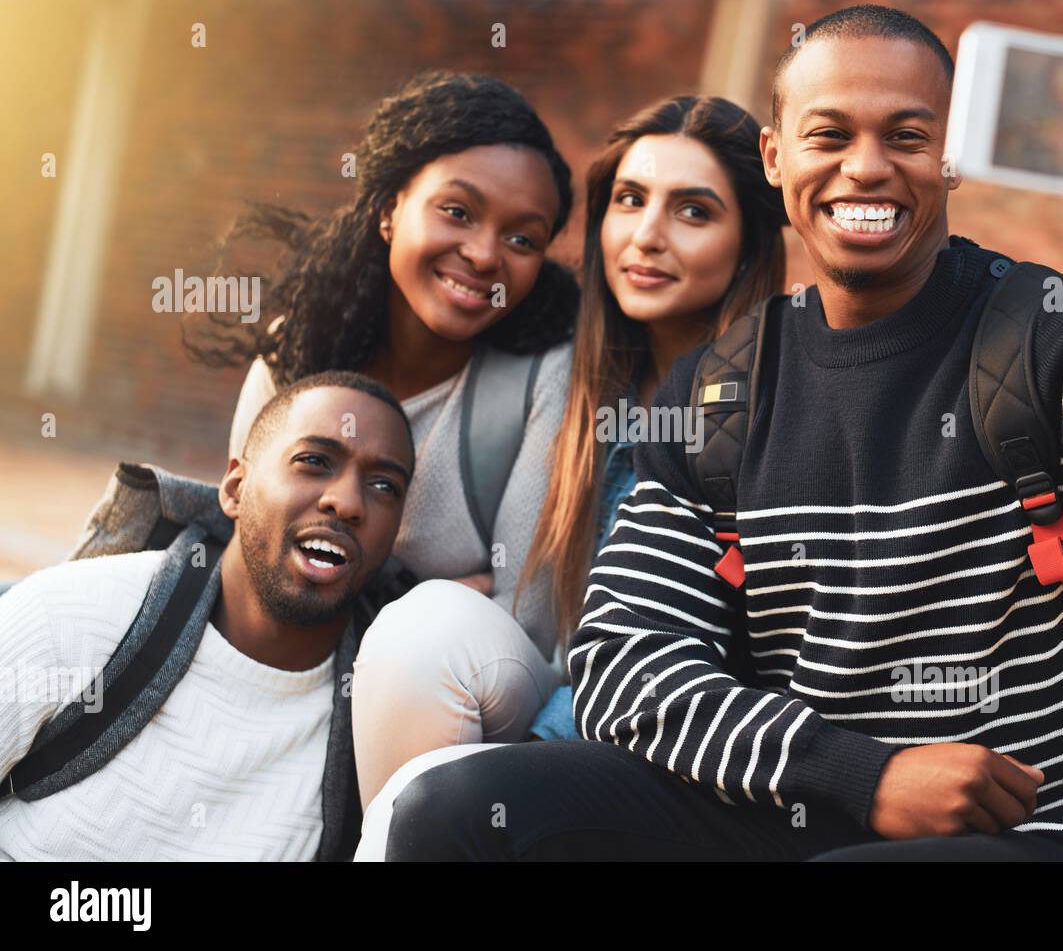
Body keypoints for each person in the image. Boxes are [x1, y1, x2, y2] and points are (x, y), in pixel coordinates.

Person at [376, 7, 1063, 861]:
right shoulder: (719, 389)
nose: (866, 167)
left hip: (1052, 827)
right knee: (450, 813)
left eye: (908, 135)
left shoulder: (1058, 328)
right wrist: (861, 774)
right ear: (775, 158)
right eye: (830, 135)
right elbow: (626, 666)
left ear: (954, 158)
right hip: (815, 800)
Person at [352, 94, 789, 857]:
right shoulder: (571, 381)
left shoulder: (779, 410)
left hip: (686, 754)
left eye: (692, 212)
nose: (646, 236)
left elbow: (722, 668)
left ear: (749, 245)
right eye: (629, 200)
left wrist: (531, 753)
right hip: (538, 700)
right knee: (425, 630)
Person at [190, 71, 581, 806]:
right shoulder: (300, 344)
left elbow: (522, 622)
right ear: (390, 208)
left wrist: (396, 603)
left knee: (429, 635)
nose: (485, 253)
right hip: (300, 676)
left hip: (479, 706)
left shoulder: (541, 380)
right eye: (458, 211)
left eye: (522, 237)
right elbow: (254, 555)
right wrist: (407, 588)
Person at [0, 372, 415, 860]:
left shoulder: (370, 746)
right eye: (314, 461)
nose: (346, 502)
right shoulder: (74, 616)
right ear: (235, 489)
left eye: (384, 485)